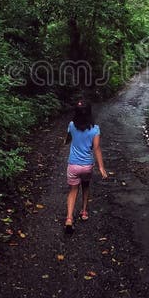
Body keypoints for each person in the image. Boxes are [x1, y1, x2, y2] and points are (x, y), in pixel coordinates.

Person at [63, 99, 107, 233]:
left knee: (72, 191)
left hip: (73, 165)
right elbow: (97, 148)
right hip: (87, 166)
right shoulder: (95, 129)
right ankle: (84, 212)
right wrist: (101, 167)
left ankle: (69, 219)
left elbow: (68, 139)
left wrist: (66, 141)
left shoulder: (71, 125)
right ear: (89, 113)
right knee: (86, 187)